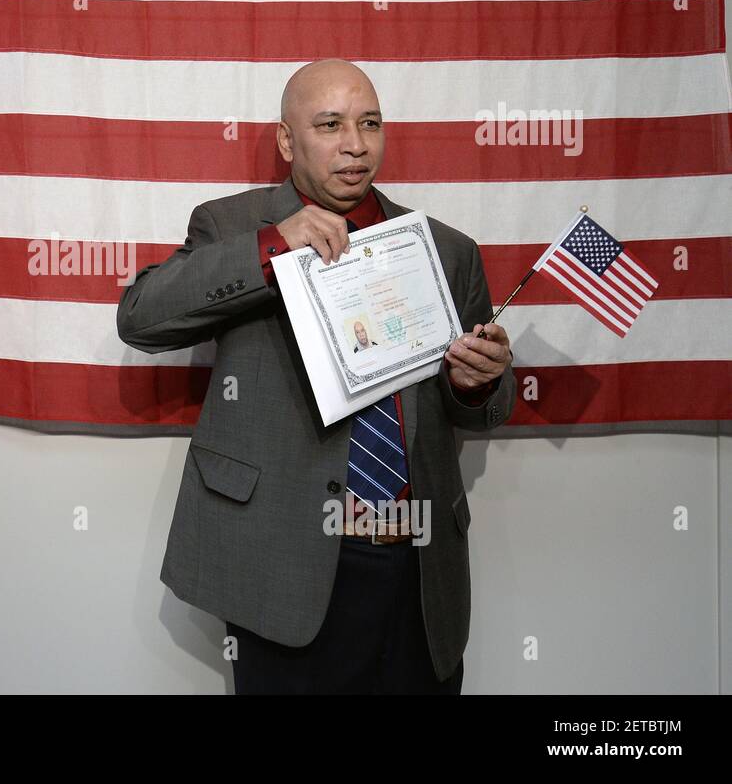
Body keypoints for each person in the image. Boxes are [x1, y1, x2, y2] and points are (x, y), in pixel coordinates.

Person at [116, 59, 515, 694]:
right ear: (286, 141)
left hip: (418, 562)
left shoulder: (444, 248)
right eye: (329, 124)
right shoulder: (230, 224)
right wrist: (273, 246)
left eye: (370, 123)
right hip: (282, 560)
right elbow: (142, 319)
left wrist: (480, 383)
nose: (355, 144)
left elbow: (477, 409)